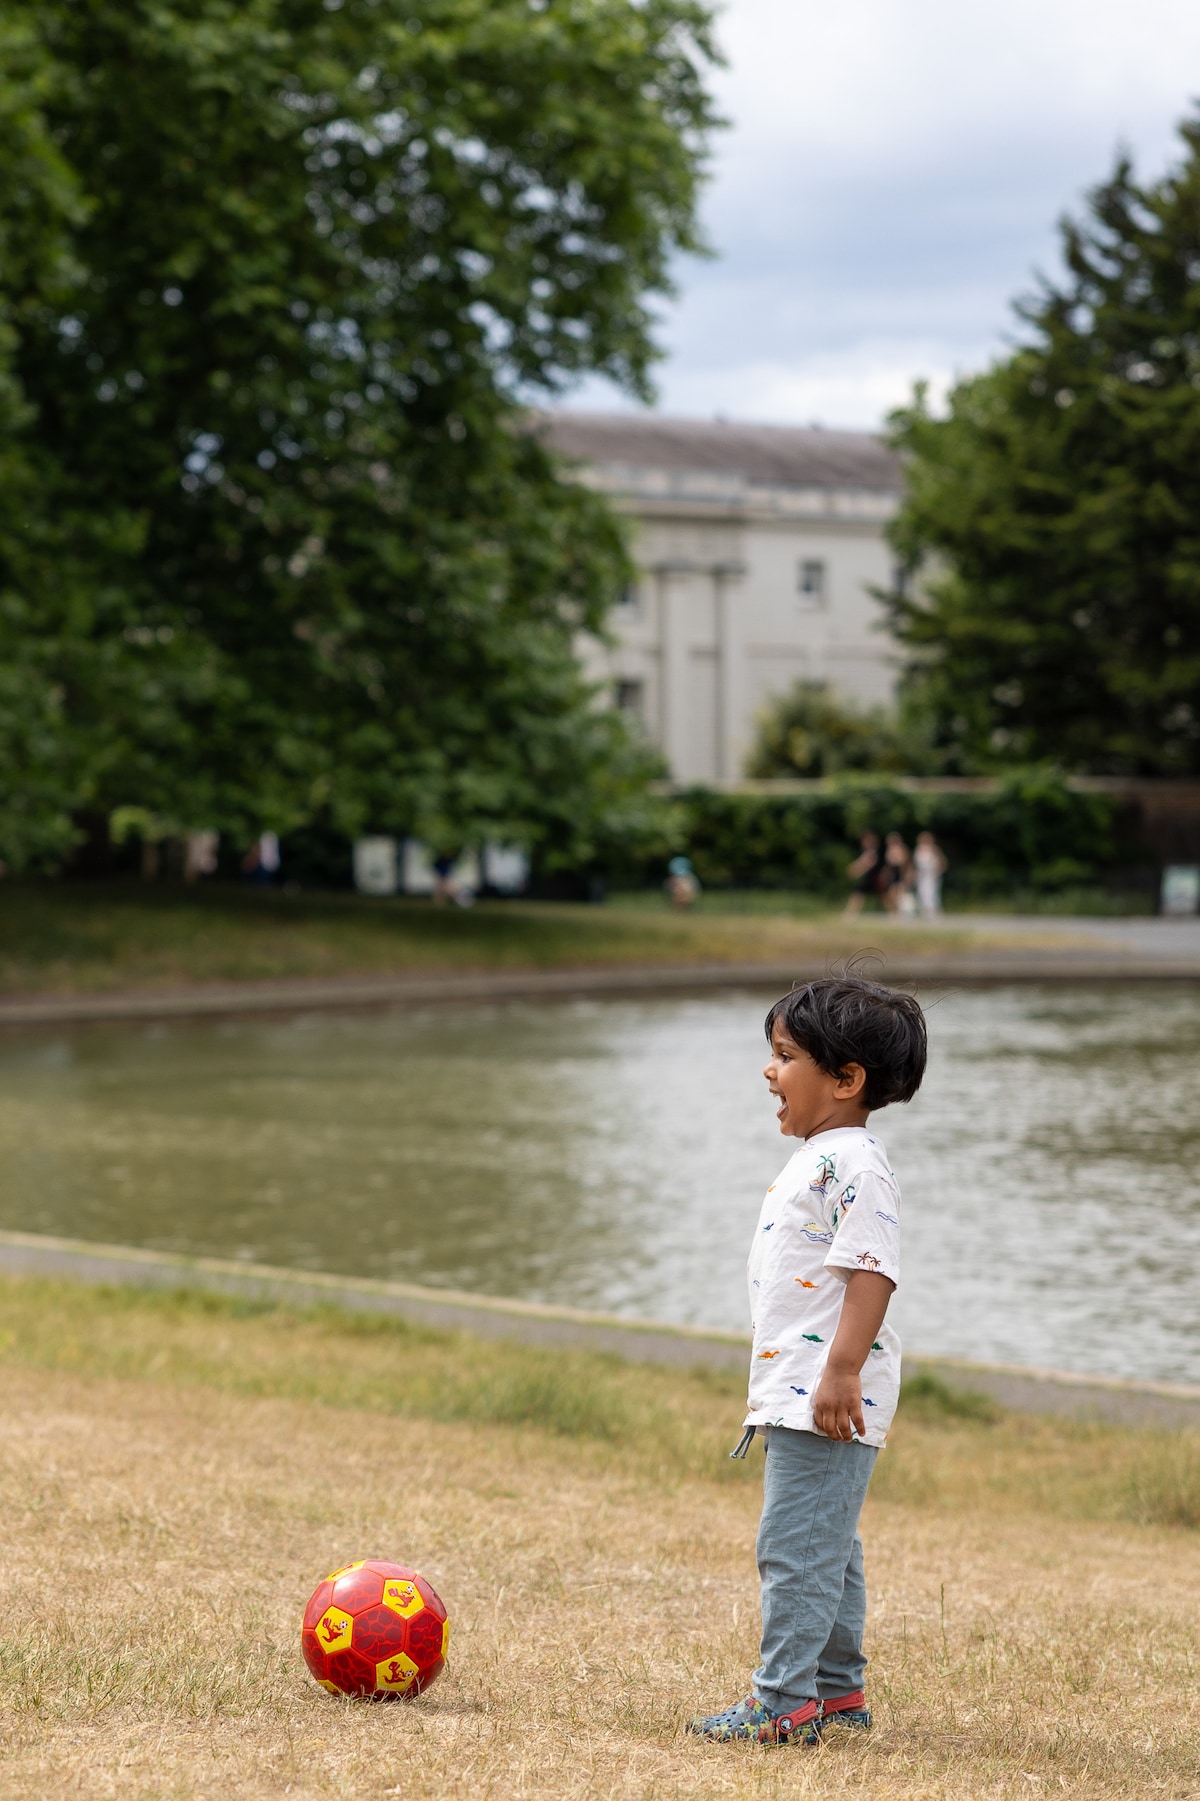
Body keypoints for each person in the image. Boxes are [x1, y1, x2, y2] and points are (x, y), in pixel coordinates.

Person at [689, 973, 927, 1746]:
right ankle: (836, 1688)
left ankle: (783, 1701)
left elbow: (872, 1271)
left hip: (824, 1390)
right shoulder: (825, 1155)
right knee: (829, 1543)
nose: (770, 1071)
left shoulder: (856, 1162)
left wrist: (842, 1370)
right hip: (801, 1386)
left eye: (787, 1056)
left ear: (846, 1078)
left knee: (795, 1547)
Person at [842, 833, 880, 917]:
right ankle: (850, 912)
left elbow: (868, 864)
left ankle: (850, 913)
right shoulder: (867, 851)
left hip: (873, 877)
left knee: (885, 895)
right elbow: (861, 862)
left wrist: (858, 871)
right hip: (869, 877)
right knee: (858, 893)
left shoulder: (871, 851)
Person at [914, 831, 947, 919]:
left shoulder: (935, 849)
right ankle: (924, 911)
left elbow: (942, 862)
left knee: (932, 893)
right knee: (921, 892)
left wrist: (938, 870)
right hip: (921, 875)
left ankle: (934, 911)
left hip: (932, 875)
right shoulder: (918, 849)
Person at [880, 830, 913, 915]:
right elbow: (888, 865)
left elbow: (905, 863)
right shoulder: (889, 850)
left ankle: (899, 912)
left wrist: (907, 875)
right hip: (892, 874)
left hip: (900, 873)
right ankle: (895, 911)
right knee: (891, 893)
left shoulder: (902, 849)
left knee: (898, 893)